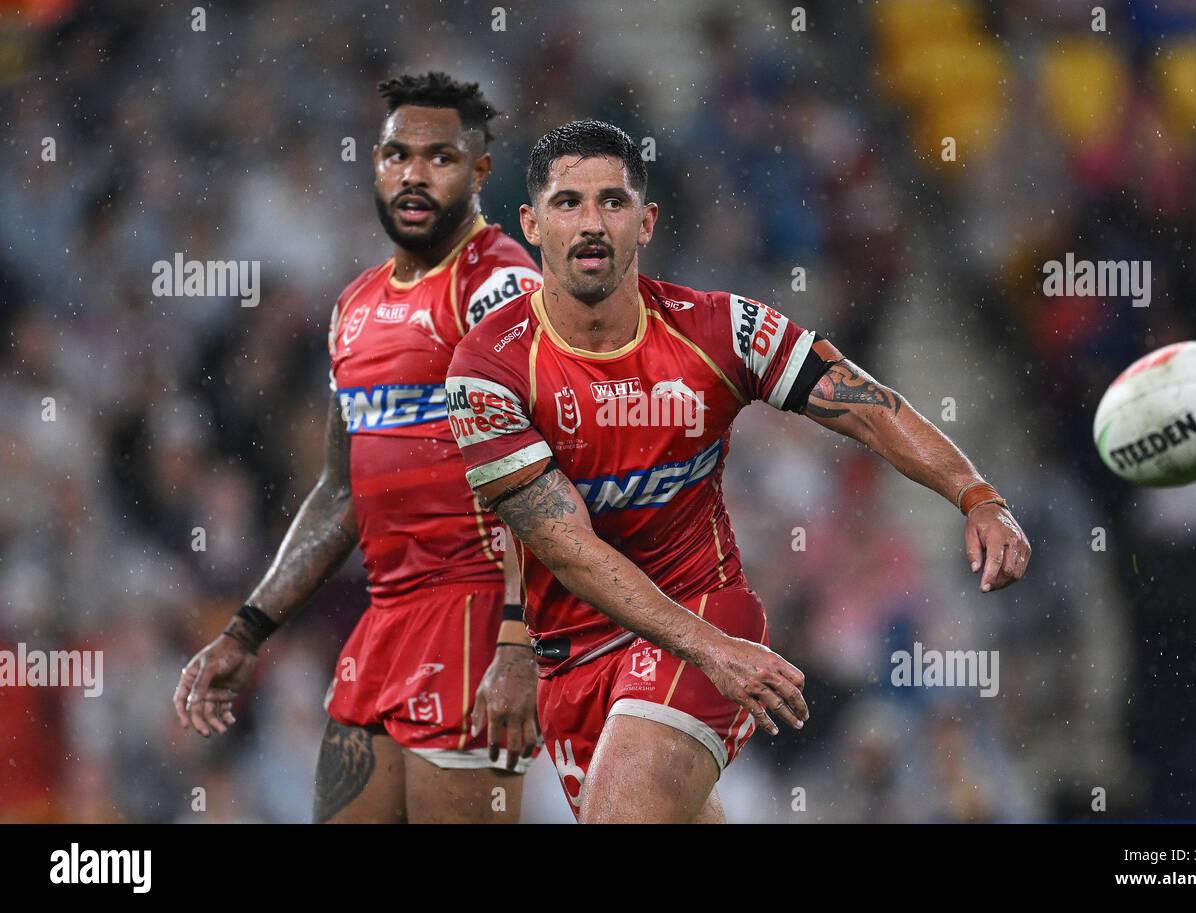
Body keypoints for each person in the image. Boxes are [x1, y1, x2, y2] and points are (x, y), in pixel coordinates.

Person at [444, 120, 1032, 823]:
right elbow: (568, 551)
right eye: (569, 203)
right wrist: (516, 642)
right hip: (574, 660)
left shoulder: (720, 330)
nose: (592, 222)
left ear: (648, 220)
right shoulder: (488, 371)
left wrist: (976, 493)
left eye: (614, 201)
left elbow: (866, 406)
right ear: (532, 223)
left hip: (704, 614)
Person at [173, 73, 544, 823]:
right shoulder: (355, 307)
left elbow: (548, 476)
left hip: (476, 612)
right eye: (396, 154)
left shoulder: (499, 286)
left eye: (440, 157)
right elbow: (339, 490)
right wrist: (249, 627)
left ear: (479, 173)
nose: (413, 174)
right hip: (385, 619)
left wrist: (520, 640)